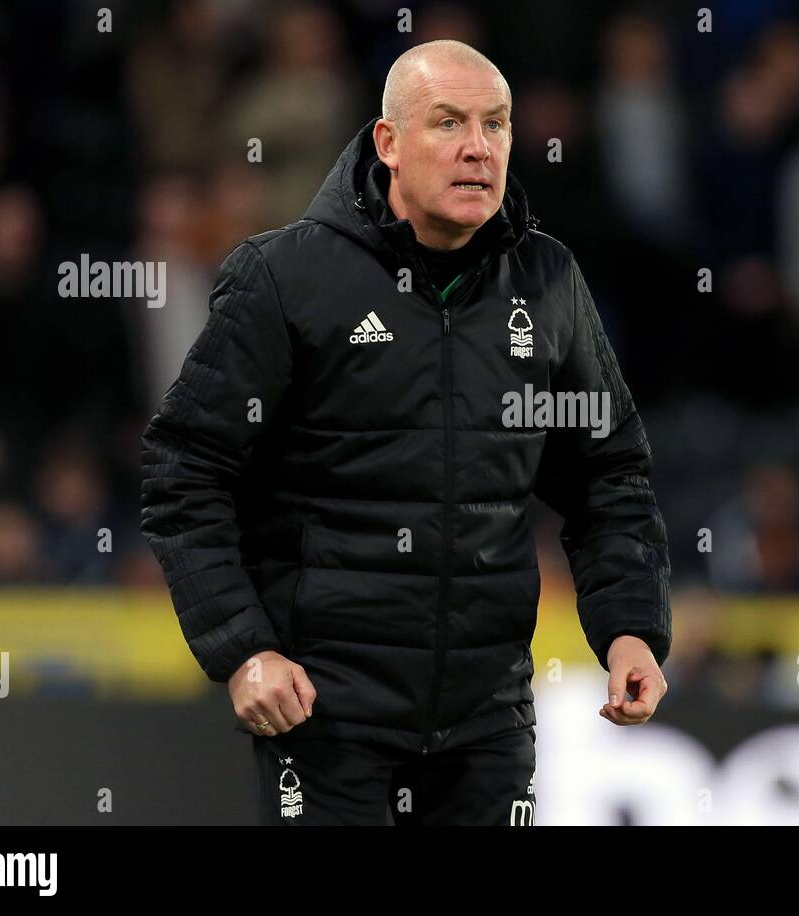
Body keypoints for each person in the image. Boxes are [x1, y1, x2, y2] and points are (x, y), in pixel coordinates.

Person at [140, 39, 672, 826]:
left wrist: (630, 628)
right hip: (325, 720)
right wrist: (244, 651)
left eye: (496, 125)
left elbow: (609, 478)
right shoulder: (286, 279)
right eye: (448, 122)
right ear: (387, 144)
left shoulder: (549, 283)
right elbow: (185, 471)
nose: (476, 147)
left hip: (489, 725)